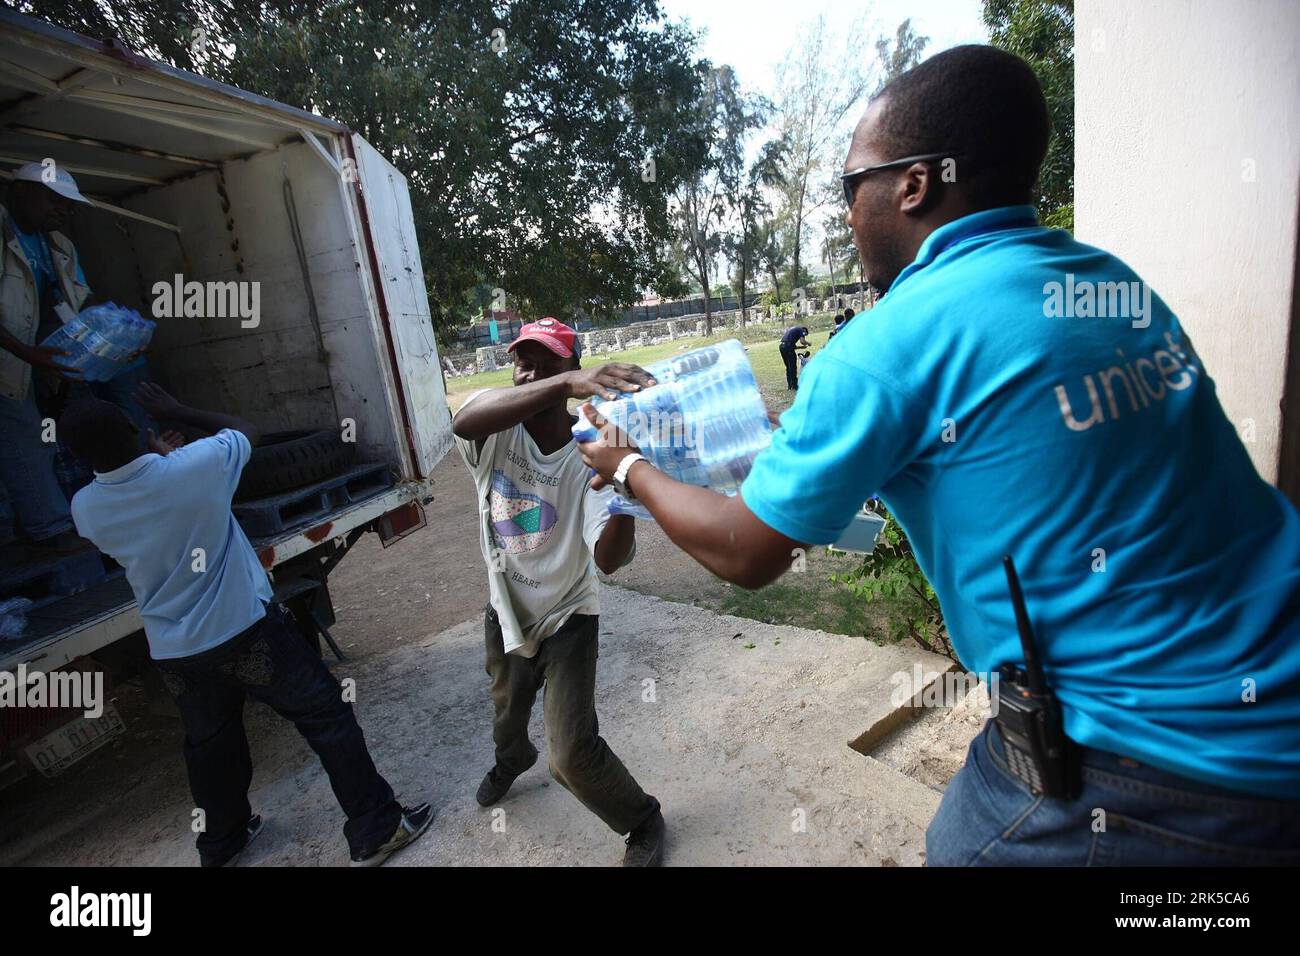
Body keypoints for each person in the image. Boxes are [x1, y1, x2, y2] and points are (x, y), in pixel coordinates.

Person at [577, 45, 1300, 865]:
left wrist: (630, 468)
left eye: (853, 186)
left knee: (962, 845)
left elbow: (746, 551)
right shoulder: (1107, 281)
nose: (848, 213)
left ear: (915, 184)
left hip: (1156, 762)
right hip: (1281, 687)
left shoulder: (888, 343)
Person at [60, 383, 431, 867]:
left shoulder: (86, 508)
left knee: (211, 746)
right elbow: (245, 431)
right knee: (327, 718)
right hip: (243, 631)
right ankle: (375, 828)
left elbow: (137, 507)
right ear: (136, 426)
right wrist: (177, 408)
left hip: (175, 651)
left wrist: (157, 460)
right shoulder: (193, 467)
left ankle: (223, 843)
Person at [451, 317, 667, 866]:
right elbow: (463, 420)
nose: (530, 375)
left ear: (577, 367)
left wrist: (623, 498)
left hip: (569, 617)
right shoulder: (495, 430)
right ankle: (511, 757)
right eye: (524, 363)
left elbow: (610, 562)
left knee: (570, 755)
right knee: (506, 715)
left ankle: (642, 819)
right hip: (505, 612)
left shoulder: (591, 450)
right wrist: (559, 385)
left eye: (550, 365)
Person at [0, 164, 94, 554]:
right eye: (53, 199)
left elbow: (70, 302)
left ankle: (53, 523)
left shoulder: (59, 245)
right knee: (25, 438)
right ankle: (49, 530)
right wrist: (31, 355)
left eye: (68, 205)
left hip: (36, 364)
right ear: (20, 193)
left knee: (45, 438)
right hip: (14, 361)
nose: (62, 210)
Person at [779, 323, 810, 389]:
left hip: (782, 346)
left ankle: (790, 385)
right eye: (805, 335)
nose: (804, 336)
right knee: (792, 367)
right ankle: (794, 386)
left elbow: (789, 344)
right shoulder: (801, 330)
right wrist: (808, 343)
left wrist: (800, 347)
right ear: (804, 331)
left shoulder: (793, 329)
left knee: (788, 367)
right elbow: (802, 341)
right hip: (788, 347)